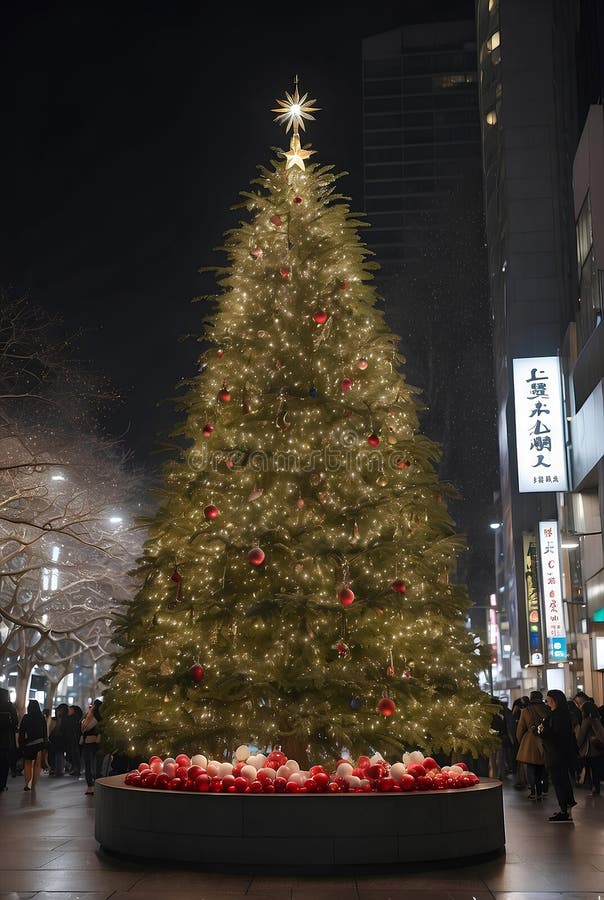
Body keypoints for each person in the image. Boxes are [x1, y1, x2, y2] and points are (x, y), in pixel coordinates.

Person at [539, 689, 576, 822]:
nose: (547, 703)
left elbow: (553, 735)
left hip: (555, 754)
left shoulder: (555, 716)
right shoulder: (565, 714)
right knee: (563, 780)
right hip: (563, 753)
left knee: (558, 781)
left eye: (548, 700)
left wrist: (540, 731)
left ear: (553, 700)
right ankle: (567, 807)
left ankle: (564, 810)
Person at [516, 690, 549, 800]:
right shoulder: (547, 709)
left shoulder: (526, 711)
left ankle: (533, 791)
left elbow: (520, 729)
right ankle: (541, 790)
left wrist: (521, 742)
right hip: (545, 741)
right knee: (542, 767)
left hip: (530, 742)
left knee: (531, 767)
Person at [575, 700, 604, 796]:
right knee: (595, 769)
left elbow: (582, 736)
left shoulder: (587, 720)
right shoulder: (597, 719)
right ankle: (595, 787)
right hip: (597, 750)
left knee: (591, 769)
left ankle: (593, 787)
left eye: (582, 710)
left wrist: (577, 746)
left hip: (590, 750)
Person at [19, 699, 47, 791]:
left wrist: (21, 743)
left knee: (27, 763)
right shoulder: (41, 717)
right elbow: (44, 732)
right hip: (39, 743)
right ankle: (34, 784)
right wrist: (45, 743)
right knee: (37, 765)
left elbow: (22, 732)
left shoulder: (26, 717)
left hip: (29, 744)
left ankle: (27, 784)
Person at [80, 700, 102, 795]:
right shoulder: (100, 717)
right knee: (96, 766)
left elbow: (84, 728)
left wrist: (88, 714)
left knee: (89, 766)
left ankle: (90, 787)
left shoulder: (92, 717)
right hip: (96, 744)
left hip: (89, 743)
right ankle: (96, 786)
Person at [0, 688, 18, 792]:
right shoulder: (10, 706)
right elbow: (15, 722)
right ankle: (3, 784)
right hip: (6, 740)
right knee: (4, 763)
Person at [48, 704, 68, 777]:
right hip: (54, 739)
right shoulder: (54, 719)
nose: (58, 711)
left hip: (60, 740)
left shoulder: (65, 719)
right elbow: (50, 729)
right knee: (54, 754)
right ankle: (55, 769)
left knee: (59, 754)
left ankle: (58, 770)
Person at [65, 705, 82, 776]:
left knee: (74, 754)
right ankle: (75, 769)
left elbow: (72, 729)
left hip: (74, 739)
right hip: (74, 738)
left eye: (69, 710)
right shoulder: (76, 718)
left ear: (73, 710)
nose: (68, 711)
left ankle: (76, 769)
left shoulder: (73, 718)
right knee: (74, 754)